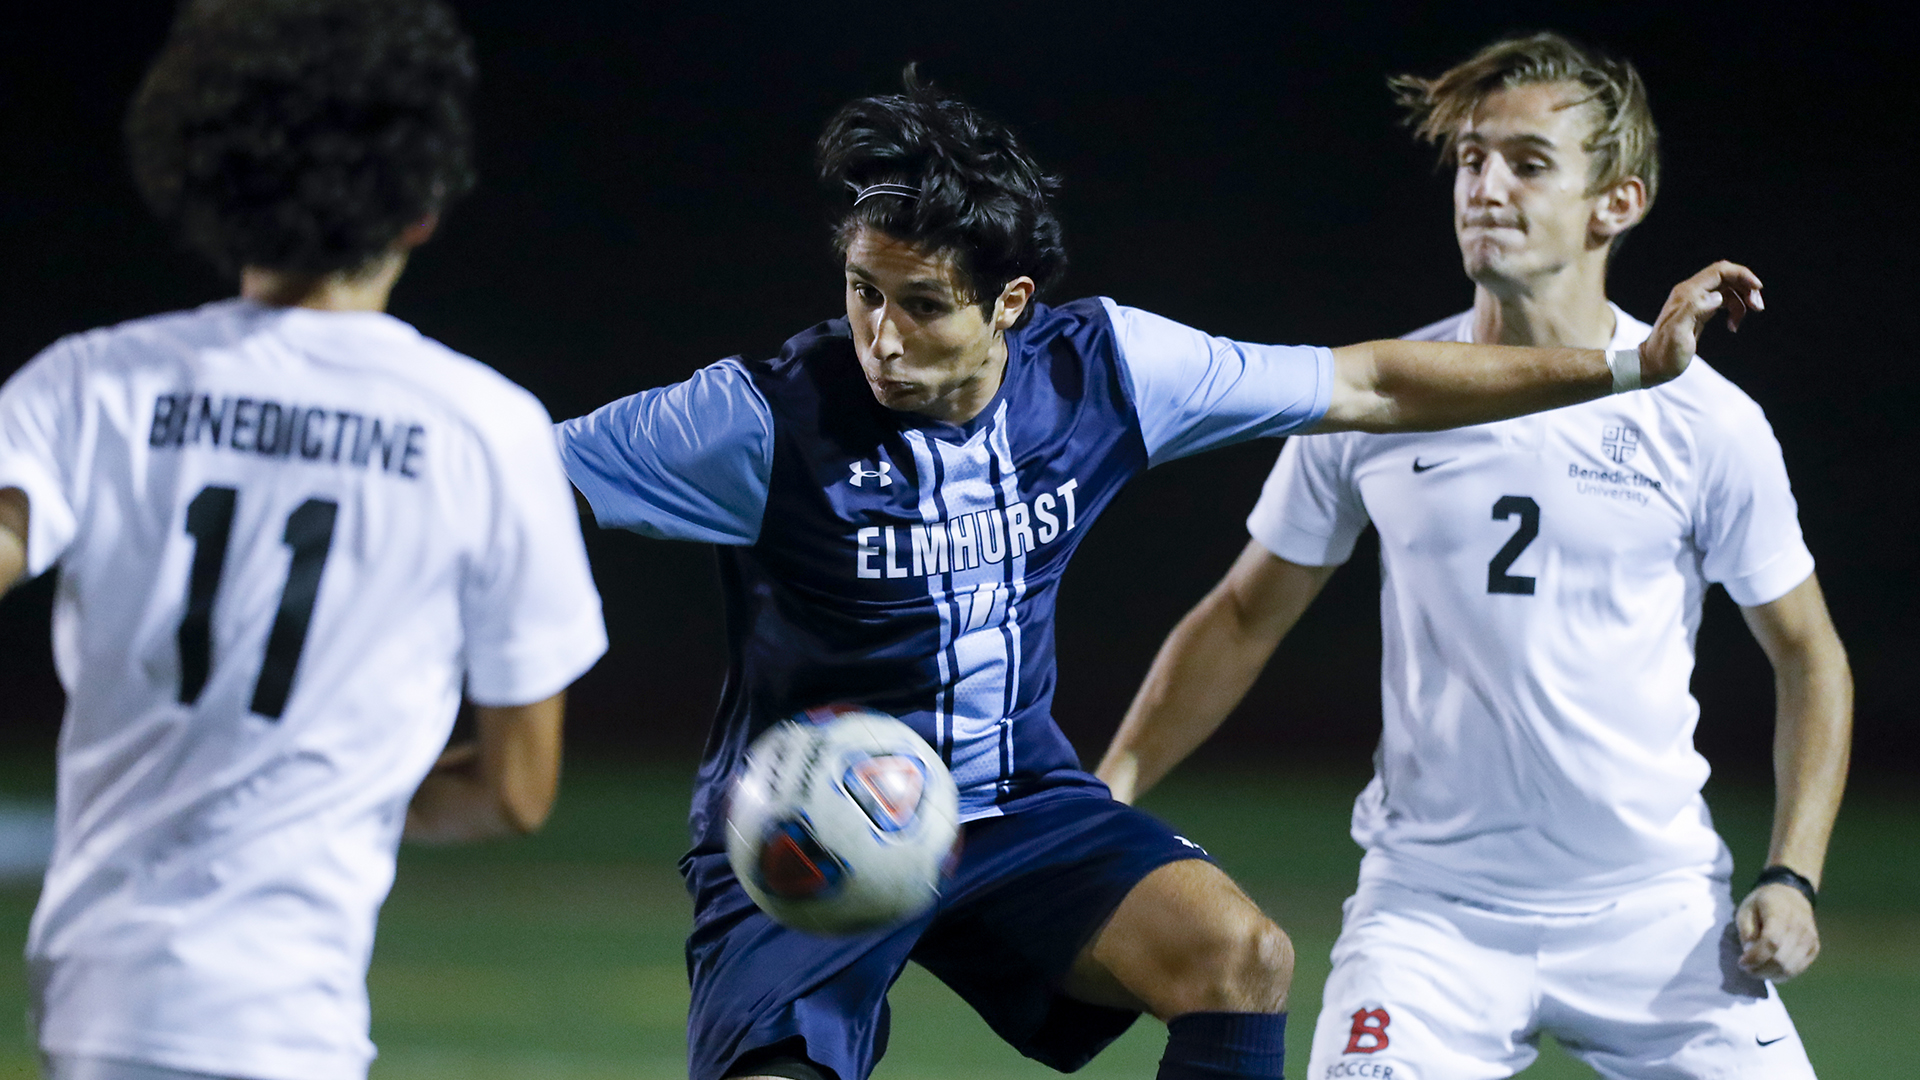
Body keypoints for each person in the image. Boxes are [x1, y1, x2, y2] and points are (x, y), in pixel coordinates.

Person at [557, 66, 1760, 1080]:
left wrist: (1627, 370)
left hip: (1013, 803)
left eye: (923, 305)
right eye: (864, 293)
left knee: (1241, 957)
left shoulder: (1111, 371)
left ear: (1012, 305)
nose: (881, 332)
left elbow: (1375, 384)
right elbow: (518, 478)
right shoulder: (757, 419)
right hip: (804, 831)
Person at [1098, 32, 1850, 1080]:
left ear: (1617, 203)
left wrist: (1793, 876)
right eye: (1470, 159)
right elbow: (1241, 616)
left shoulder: (1706, 420)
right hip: (1429, 920)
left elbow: (1808, 655)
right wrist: (1110, 792)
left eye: (1528, 163)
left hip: (1659, 917)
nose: (1486, 187)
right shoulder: (1378, 398)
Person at [0, 2, 608, 1077]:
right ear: (421, 205)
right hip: (287, 1024)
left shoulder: (90, 383)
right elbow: (516, 793)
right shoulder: (487, 429)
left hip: (89, 1009)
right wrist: (335, 774)